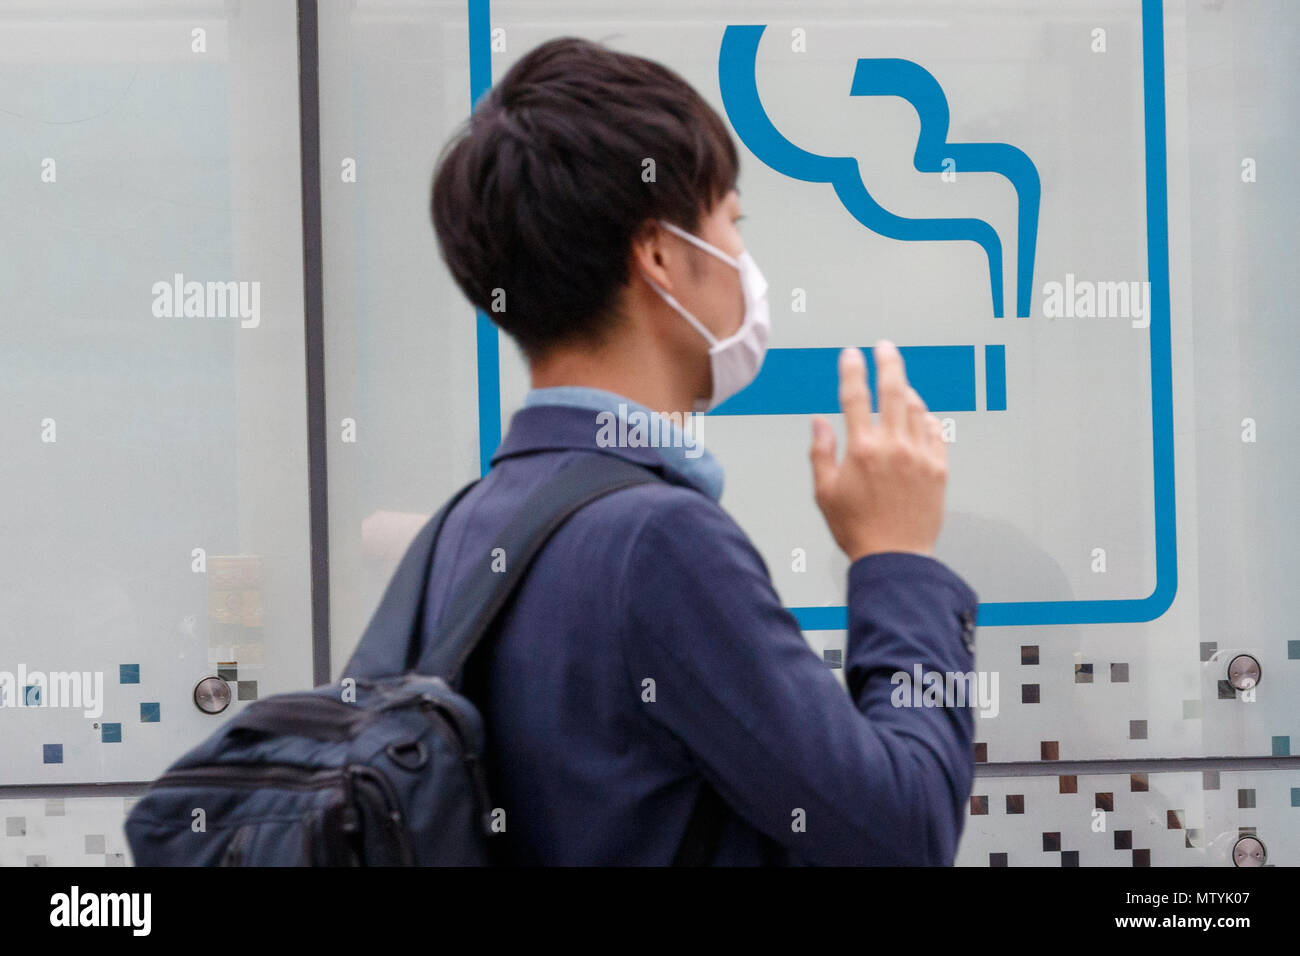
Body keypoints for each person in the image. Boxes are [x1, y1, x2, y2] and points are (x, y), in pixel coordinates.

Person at [425, 35, 979, 865]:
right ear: (658, 256)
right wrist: (897, 559)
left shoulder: (461, 530)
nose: (746, 266)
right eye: (734, 224)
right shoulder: (657, 544)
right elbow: (897, 833)